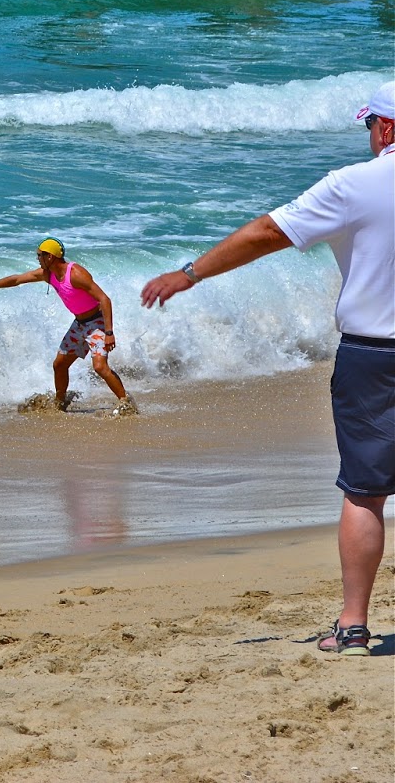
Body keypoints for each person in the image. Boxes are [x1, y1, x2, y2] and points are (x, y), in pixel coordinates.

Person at [141, 81, 395, 658]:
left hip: (375, 355)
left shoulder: (354, 184)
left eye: (370, 125)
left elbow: (267, 232)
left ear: (386, 128)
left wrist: (190, 273)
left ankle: (354, 625)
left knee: (365, 493)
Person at [0, 238, 135, 415]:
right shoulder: (48, 274)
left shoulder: (76, 274)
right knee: (59, 364)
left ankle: (126, 403)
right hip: (79, 324)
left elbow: (104, 299)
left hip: (96, 322)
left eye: (39, 255)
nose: (37, 258)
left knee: (99, 366)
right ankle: (60, 404)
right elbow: (18, 279)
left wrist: (109, 332)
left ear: (50, 257)